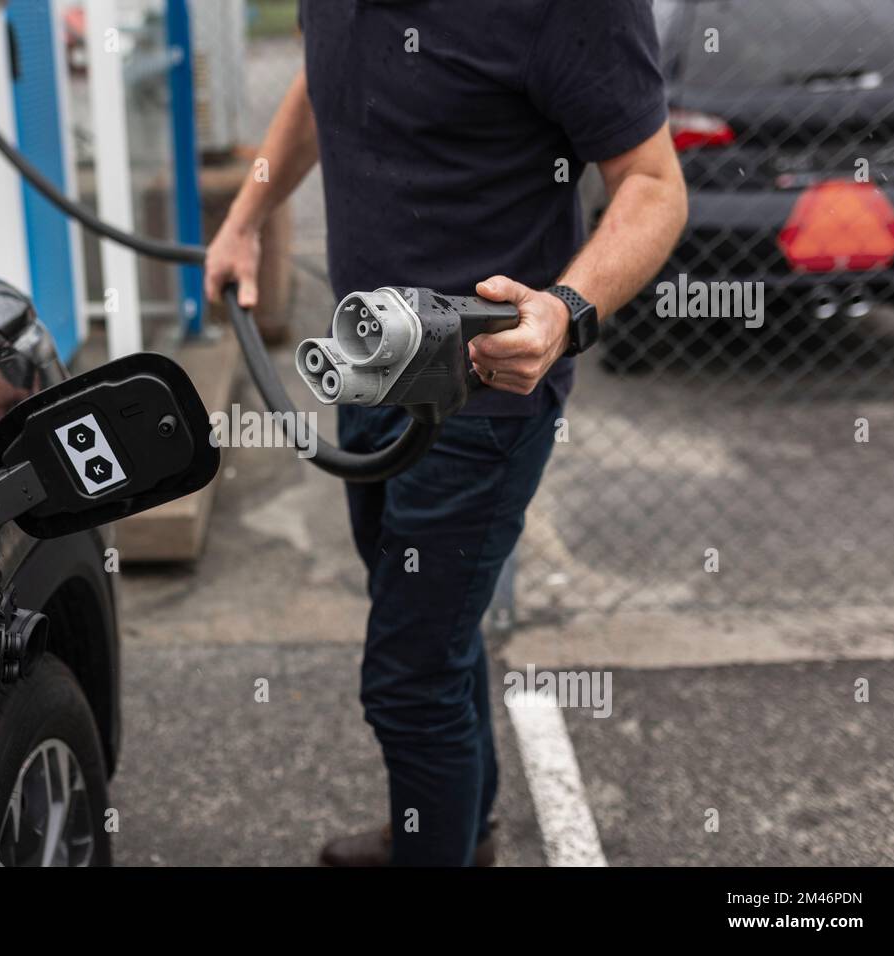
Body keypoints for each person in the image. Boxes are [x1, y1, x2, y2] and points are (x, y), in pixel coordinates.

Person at [205, 0, 688, 866]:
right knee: (432, 626)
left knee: (407, 680)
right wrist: (244, 220)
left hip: (489, 385)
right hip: (369, 355)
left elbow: (654, 186)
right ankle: (460, 827)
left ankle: (439, 836)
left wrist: (565, 312)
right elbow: (322, 86)